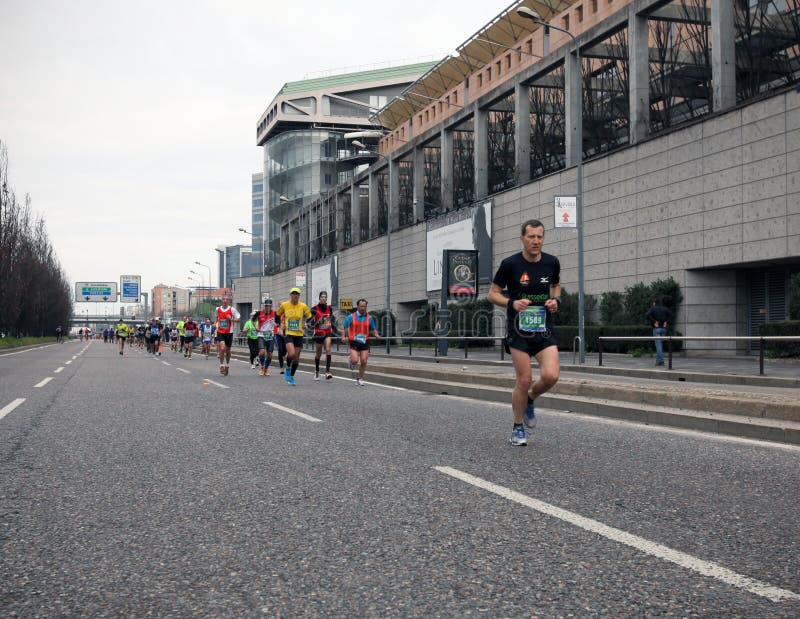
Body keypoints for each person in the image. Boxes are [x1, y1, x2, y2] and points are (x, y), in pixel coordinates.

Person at [488, 219, 561, 447]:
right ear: (522, 239)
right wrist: (512, 303)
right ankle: (518, 427)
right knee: (525, 379)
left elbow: (556, 285)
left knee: (551, 376)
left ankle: (530, 399)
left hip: (543, 328)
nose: (536, 241)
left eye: (540, 237)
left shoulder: (552, 262)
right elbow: (492, 294)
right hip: (518, 330)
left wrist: (555, 300)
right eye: (531, 237)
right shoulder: (510, 264)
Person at [275, 287, 311, 386]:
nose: (295, 295)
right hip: (289, 333)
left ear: (299, 296)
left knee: (296, 359)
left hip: (299, 334)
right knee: (291, 354)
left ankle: (291, 376)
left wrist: (306, 323)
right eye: (293, 294)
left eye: (297, 294)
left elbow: (310, 316)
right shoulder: (285, 305)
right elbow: (277, 315)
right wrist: (280, 324)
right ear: (290, 295)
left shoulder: (303, 306)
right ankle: (287, 368)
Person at [340, 298, 380, 387]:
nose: (363, 308)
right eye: (361, 306)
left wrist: (376, 335)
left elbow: (373, 329)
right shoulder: (351, 317)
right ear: (357, 306)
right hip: (353, 341)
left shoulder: (370, 318)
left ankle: (360, 378)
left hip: (364, 341)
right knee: (355, 360)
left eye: (364, 306)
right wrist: (343, 336)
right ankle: (351, 361)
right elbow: (343, 327)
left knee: (364, 361)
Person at [310, 290, 335, 380]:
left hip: (327, 332)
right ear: (319, 298)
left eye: (325, 297)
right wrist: (311, 322)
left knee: (328, 349)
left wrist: (334, 327)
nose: (324, 298)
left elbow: (331, 319)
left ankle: (327, 372)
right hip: (318, 334)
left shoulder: (329, 308)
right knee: (318, 353)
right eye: (322, 297)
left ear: (326, 298)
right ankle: (317, 371)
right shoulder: (314, 309)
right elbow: (310, 320)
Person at [214, 295, 241, 375]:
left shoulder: (232, 309)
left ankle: (227, 365)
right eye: (224, 299)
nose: (225, 301)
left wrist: (231, 319)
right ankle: (221, 365)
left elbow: (239, 319)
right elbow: (216, 317)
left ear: (228, 301)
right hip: (220, 331)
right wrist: (215, 323)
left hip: (229, 332)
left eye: (227, 299)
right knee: (222, 348)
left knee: (228, 351)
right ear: (222, 300)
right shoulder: (217, 309)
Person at [646, 296, 673, 366]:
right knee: (660, 345)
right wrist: (666, 322)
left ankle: (661, 361)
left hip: (656, 328)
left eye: (653, 302)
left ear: (654, 302)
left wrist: (654, 321)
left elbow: (647, 315)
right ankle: (659, 361)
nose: (653, 304)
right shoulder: (665, 308)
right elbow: (671, 315)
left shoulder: (653, 309)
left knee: (658, 345)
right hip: (663, 329)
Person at [256, 299, 279, 376]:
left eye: (269, 306)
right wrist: (256, 326)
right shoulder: (259, 313)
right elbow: (252, 320)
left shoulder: (275, 314)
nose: (267, 307)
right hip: (261, 335)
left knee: (270, 354)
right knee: (262, 352)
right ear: (264, 306)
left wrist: (276, 324)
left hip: (270, 336)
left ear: (271, 306)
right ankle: (262, 367)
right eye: (266, 306)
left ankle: (266, 368)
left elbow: (279, 323)